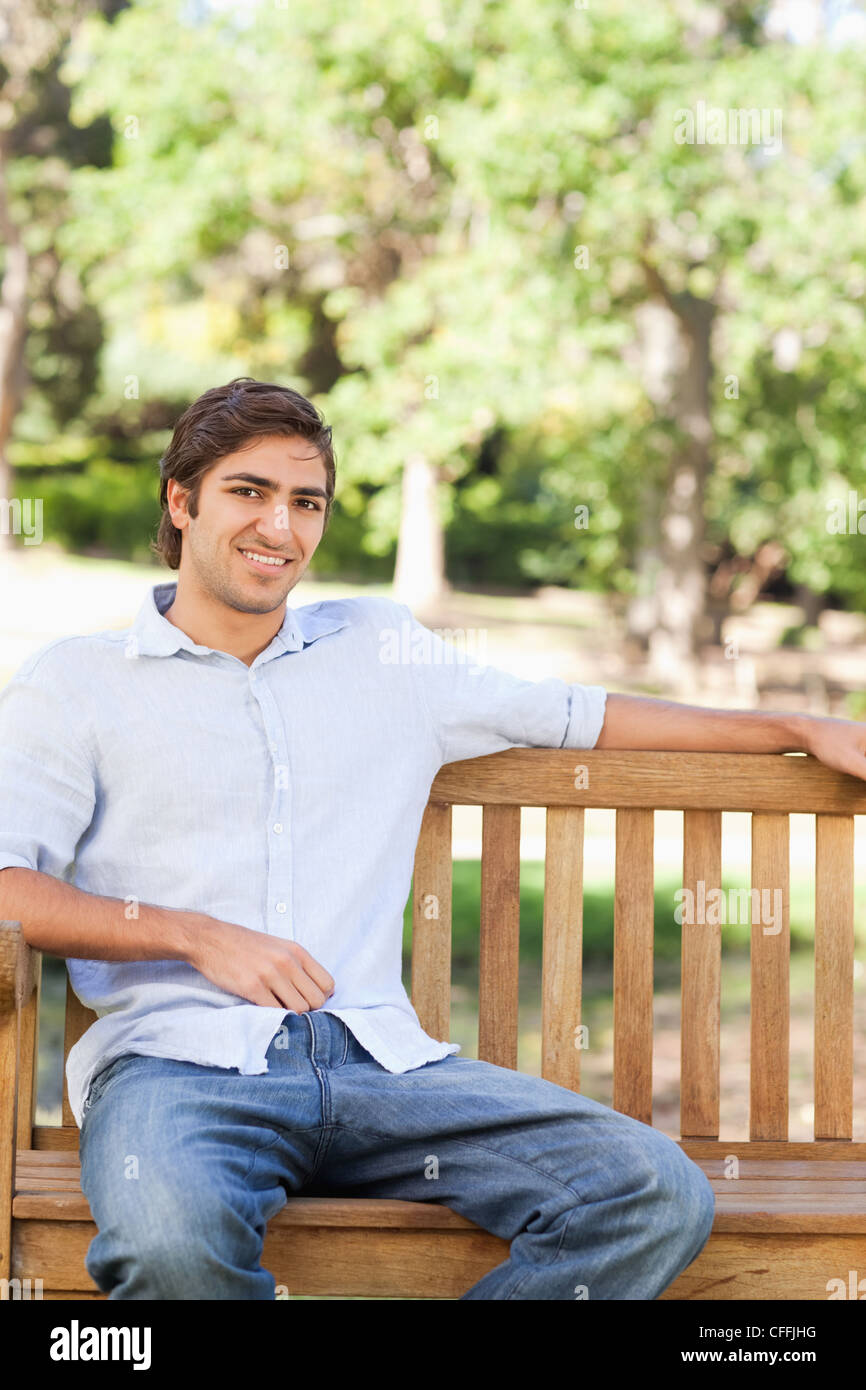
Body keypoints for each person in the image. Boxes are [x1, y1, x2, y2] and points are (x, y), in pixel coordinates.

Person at [1, 377, 863, 1301]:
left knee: (651, 1195)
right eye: (247, 492)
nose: (279, 529)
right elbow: (10, 883)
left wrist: (791, 725)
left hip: (380, 1066)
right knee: (171, 1244)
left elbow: (578, 715)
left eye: (306, 502)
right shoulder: (80, 682)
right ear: (181, 501)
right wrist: (195, 934)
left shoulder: (382, 652)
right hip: (179, 1070)